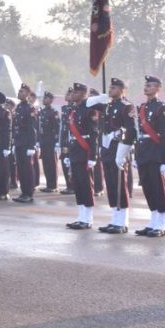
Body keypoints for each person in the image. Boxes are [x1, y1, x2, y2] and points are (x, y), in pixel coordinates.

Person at [134, 75, 165, 237]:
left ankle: (161, 225)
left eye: (150, 85)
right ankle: (153, 221)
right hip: (144, 152)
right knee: (148, 189)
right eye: (145, 85)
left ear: (158, 88)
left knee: (158, 189)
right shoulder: (143, 107)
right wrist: (137, 156)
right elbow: (138, 134)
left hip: (156, 153)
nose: (146, 87)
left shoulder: (161, 108)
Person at [65, 83, 106, 229]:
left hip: (84, 150)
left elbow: (94, 134)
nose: (73, 94)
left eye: (76, 92)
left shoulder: (90, 110)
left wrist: (92, 156)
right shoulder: (74, 110)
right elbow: (71, 134)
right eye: (73, 92)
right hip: (75, 150)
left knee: (86, 185)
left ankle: (88, 219)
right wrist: (69, 154)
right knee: (78, 185)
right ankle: (81, 216)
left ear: (84, 94)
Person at [98, 78, 137, 234]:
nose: (110, 90)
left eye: (114, 87)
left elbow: (131, 130)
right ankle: (114, 220)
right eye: (110, 87)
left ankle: (122, 222)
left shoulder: (126, 107)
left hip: (118, 148)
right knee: (112, 185)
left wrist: (123, 152)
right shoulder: (108, 106)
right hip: (108, 149)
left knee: (120, 185)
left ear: (122, 90)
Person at [12, 84, 38, 203]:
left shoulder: (30, 108)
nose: (19, 93)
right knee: (21, 169)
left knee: (27, 169)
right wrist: (14, 143)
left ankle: (29, 193)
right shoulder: (18, 107)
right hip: (19, 142)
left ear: (27, 94)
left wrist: (31, 146)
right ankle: (23, 192)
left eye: (21, 91)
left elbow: (31, 128)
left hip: (27, 143)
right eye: (19, 91)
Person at [38, 91, 60, 192]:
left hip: (51, 141)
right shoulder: (42, 112)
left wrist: (56, 142)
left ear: (51, 100)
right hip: (44, 141)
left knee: (52, 163)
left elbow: (57, 127)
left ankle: (53, 185)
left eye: (46, 98)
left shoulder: (53, 112)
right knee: (46, 163)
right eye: (44, 98)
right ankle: (48, 184)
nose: (44, 100)